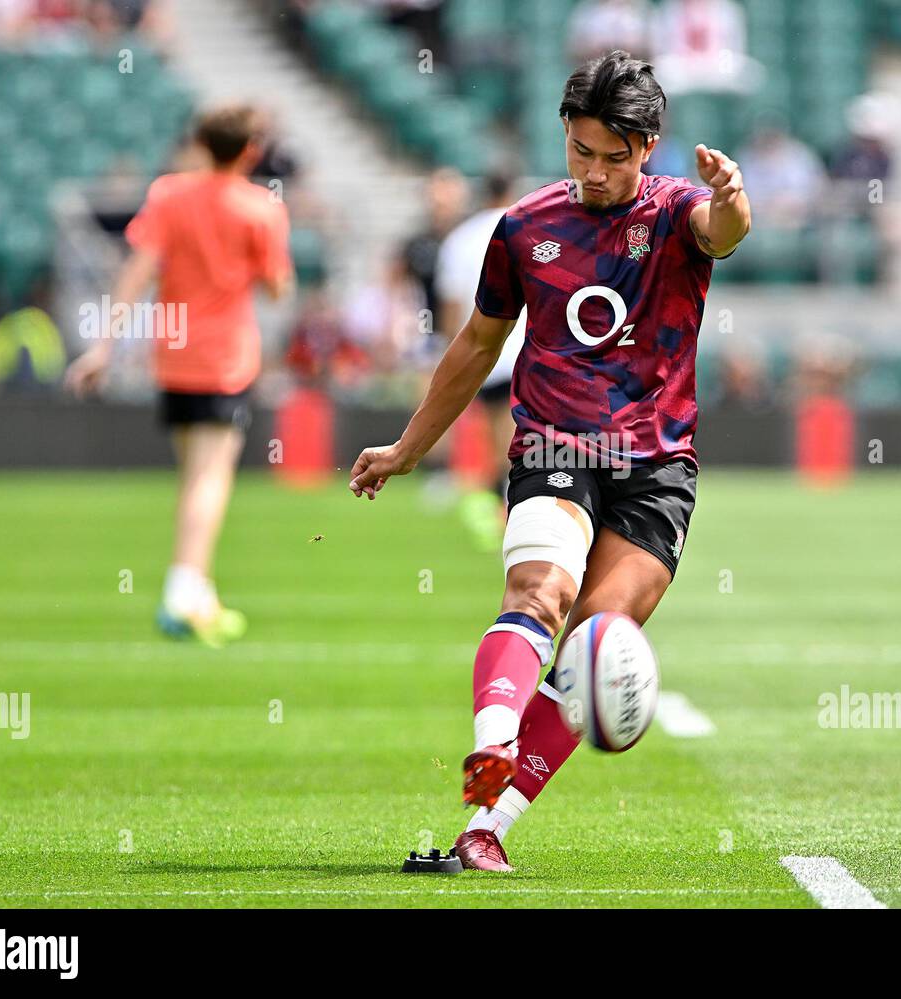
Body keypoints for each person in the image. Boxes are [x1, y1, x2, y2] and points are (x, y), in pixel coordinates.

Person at [347, 51, 750, 872]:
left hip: (657, 466)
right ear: (564, 136)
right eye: (580, 152)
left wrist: (732, 195)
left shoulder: (680, 214)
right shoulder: (525, 228)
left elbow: (726, 232)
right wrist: (406, 448)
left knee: (596, 644)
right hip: (555, 443)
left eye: (613, 156)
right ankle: (491, 745)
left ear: (647, 146)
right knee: (539, 590)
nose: (594, 172)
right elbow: (475, 347)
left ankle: (485, 828)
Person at [64, 105, 294, 647]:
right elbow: (279, 287)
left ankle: (199, 589)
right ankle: (181, 591)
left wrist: (102, 345)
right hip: (226, 358)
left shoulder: (168, 195)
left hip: (172, 352)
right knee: (211, 477)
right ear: (251, 151)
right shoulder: (260, 208)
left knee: (194, 472)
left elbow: (137, 270)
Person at [434, 169, 527, 548]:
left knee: (498, 437)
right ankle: (509, 509)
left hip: (484, 350)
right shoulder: (528, 227)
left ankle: (504, 509)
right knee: (515, 440)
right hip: (526, 349)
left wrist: (454, 352)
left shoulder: (460, 238)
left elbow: (452, 303)